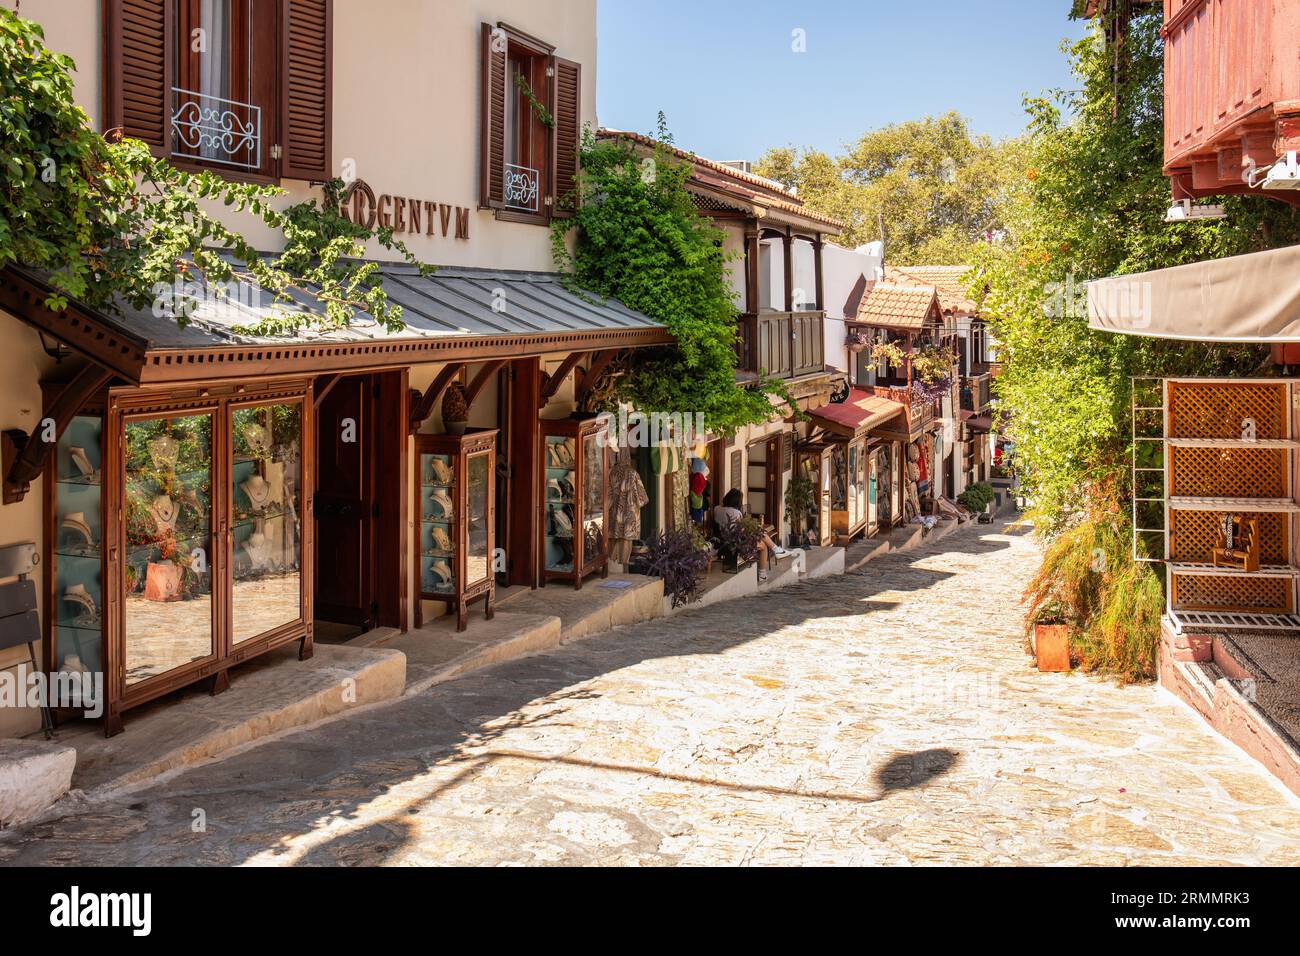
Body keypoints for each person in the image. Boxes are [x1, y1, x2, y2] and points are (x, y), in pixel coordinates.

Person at [713, 489, 788, 581]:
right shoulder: (736, 513)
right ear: (737, 501)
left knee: (759, 534)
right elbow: (742, 529)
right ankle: (764, 571)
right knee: (763, 544)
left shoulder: (717, 509)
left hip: (722, 542)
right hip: (735, 544)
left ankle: (776, 549)